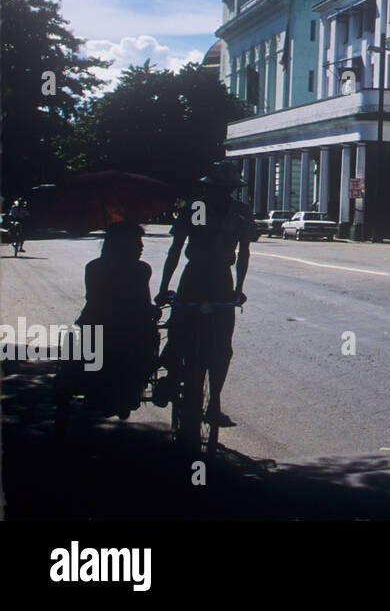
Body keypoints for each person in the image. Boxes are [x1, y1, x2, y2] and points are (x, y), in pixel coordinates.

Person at [154, 161, 257, 427]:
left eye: (228, 189)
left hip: (222, 280)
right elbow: (176, 249)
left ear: (233, 190)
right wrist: (164, 287)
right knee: (178, 334)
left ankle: (214, 404)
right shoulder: (196, 208)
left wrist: (239, 289)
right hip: (194, 278)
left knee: (222, 349)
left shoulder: (241, 212)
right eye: (217, 189)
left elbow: (244, 252)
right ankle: (172, 376)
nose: (222, 194)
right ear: (208, 189)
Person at [77, 221, 159, 418]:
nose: (141, 247)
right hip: (116, 326)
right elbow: (143, 303)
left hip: (104, 323)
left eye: (140, 242)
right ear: (120, 244)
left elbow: (93, 299)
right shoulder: (140, 270)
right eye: (136, 242)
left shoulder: (95, 267)